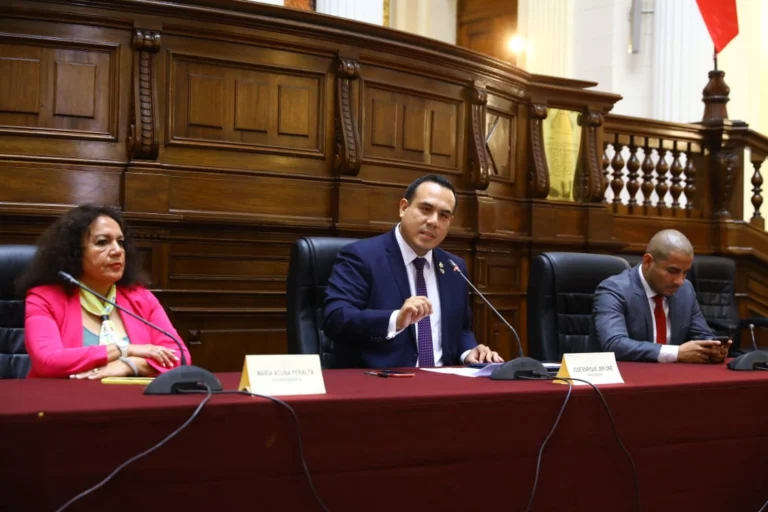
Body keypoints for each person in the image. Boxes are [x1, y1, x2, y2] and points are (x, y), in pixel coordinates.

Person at [323, 174, 503, 369]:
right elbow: (336, 318)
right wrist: (395, 319)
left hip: (445, 383)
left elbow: (461, 330)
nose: (434, 221)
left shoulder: (454, 267)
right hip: (383, 381)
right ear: (403, 208)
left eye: (443, 215)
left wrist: (469, 352)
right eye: (426, 209)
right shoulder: (362, 256)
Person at [19, 204, 189, 379]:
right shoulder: (45, 298)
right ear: (74, 252)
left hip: (132, 401)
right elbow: (47, 361)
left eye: (120, 242)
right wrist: (124, 350)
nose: (117, 250)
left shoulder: (141, 298)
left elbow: (180, 357)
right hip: (65, 401)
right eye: (103, 242)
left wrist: (128, 364)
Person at [590, 229, 729, 363]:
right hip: (623, 379)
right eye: (672, 271)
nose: (680, 281)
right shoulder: (614, 290)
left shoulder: (685, 290)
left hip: (672, 378)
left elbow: (702, 336)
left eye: (685, 272)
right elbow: (615, 345)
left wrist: (714, 349)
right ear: (648, 262)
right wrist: (676, 353)